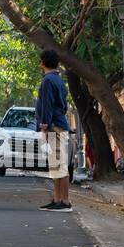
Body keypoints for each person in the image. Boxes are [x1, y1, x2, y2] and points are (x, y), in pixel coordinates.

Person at [35, 49, 72, 212]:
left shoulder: (48, 81)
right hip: (58, 124)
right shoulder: (58, 80)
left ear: (43, 62)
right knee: (56, 164)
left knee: (59, 165)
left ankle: (64, 201)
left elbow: (47, 105)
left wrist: (44, 124)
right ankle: (57, 199)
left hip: (54, 125)